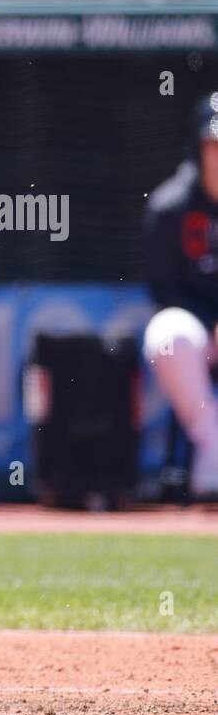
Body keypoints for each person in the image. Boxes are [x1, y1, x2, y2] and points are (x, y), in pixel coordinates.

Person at [142, 93, 218, 497]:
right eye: (215, 146)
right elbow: (163, 288)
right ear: (199, 148)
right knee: (169, 334)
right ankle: (213, 449)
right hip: (202, 334)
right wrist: (210, 323)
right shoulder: (170, 206)